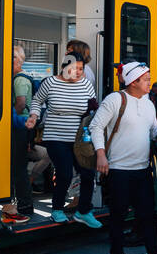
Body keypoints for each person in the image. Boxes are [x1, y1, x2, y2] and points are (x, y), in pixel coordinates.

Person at [92, 62, 157, 254]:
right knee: (118, 216)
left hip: (143, 169)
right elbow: (96, 126)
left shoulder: (149, 104)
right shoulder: (115, 99)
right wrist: (101, 154)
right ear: (133, 81)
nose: (150, 82)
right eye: (146, 79)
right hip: (118, 169)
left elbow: (152, 132)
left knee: (148, 216)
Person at [26, 55, 101, 227]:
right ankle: (57, 210)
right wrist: (33, 116)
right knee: (65, 173)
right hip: (56, 137)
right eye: (74, 69)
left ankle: (83, 211)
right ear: (64, 68)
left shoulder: (86, 84)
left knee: (88, 173)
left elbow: (92, 106)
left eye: (81, 69)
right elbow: (37, 100)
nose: (78, 73)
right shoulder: (51, 83)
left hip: (80, 139)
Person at [3, 46, 34, 224]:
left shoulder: (19, 80)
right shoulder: (18, 78)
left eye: (12, 58)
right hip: (22, 128)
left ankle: (24, 205)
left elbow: (21, 104)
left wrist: (4, 122)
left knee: (17, 168)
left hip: (18, 128)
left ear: (18, 60)